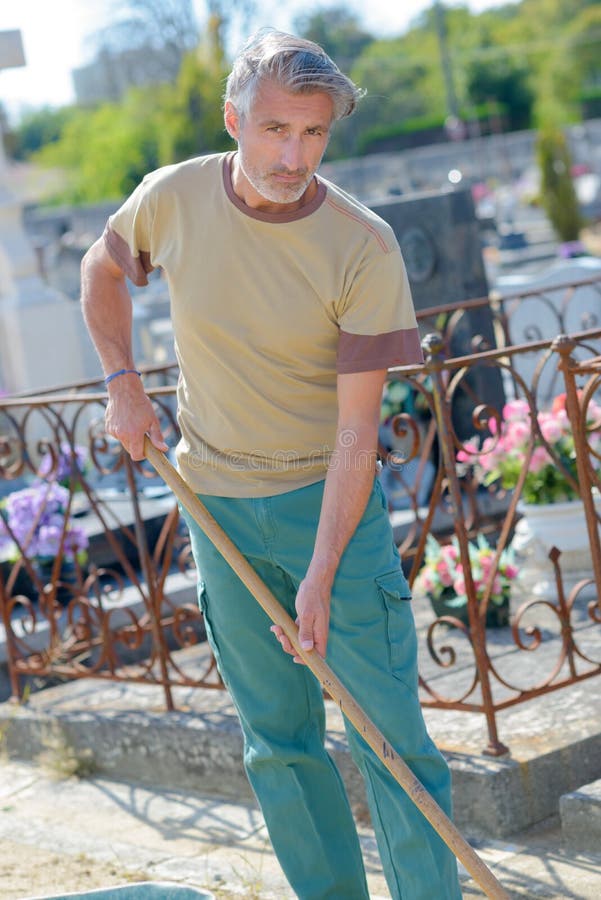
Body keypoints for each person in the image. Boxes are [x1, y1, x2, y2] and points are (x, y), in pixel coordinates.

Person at [81, 28, 462, 900]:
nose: (293, 157)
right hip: (215, 507)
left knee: (390, 744)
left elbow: (358, 433)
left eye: (313, 133)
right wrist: (121, 381)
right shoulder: (172, 197)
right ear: (234, 121)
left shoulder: (362, 246)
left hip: (330, 505)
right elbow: (101, 267)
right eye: (275, 130)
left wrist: (321, 573)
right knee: (278, 746)